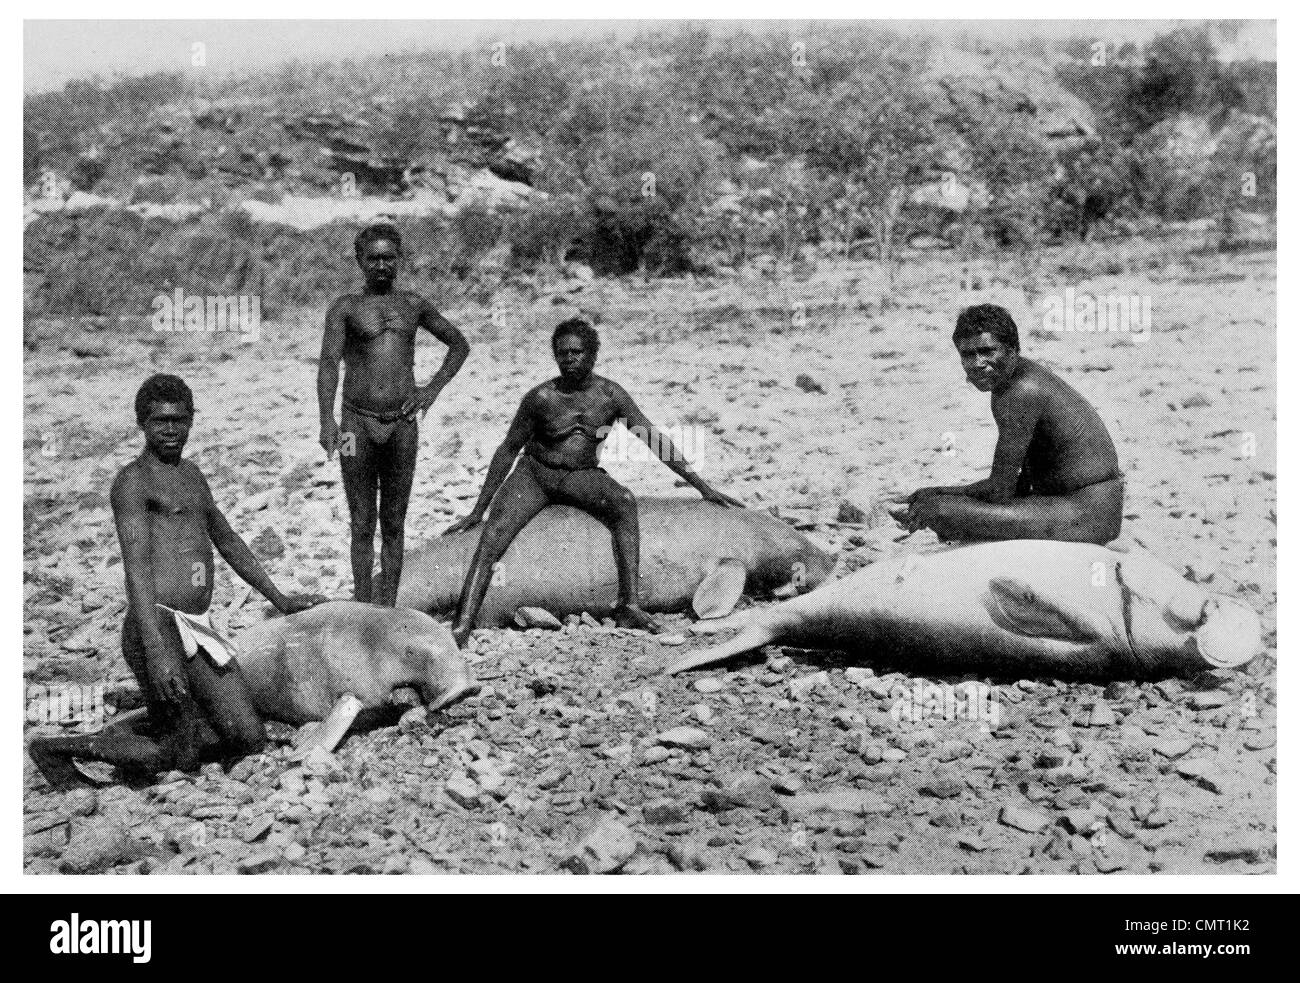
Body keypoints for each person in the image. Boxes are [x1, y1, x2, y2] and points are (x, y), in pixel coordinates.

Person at [28, 375, 325, 789]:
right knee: (179, 757)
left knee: (248, 737)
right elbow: (137, 571)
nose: (170, 430)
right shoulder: (133, 482)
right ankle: (54, 749)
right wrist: (157, 653)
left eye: (179, 420)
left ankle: (148, 729)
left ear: (191, 421)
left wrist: (278, 596)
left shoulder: (192, 475)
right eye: (159, 421)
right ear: (142, 424)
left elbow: (227, 538)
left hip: (196, 625)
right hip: (157, 625)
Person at [444, 317, 742, 646]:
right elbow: (508, 450)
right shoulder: (540, 398)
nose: (569, 359)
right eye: (562, 354)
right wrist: (477, 510)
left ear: (593, 355)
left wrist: (700, 485)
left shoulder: (610, 395)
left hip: (580, 475)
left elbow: (652, 439)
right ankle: (462, 624)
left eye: (576, 352)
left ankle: (629, 605)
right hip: (536, 474)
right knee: (493, 536)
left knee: (625, 502)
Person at [317, 222, 470, 606]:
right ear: (360, 261)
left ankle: (387, 607)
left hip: (403, 424)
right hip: (356, 424)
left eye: (389, 258)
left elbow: (458, 344)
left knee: (395, 523)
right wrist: (326, 421)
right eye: (374, 258)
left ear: (399, 260)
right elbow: (329, 364)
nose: (382, 266)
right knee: (362, 522)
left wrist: (430, 390)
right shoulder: (345, 308)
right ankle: (362, 603)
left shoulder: (413, 305)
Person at [895, 304, 1123, 544]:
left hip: (1089, 515)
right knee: (940, 506)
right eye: (967, 355)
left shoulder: (1020, 392)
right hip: (1082, 506)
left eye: (987, 351)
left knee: (937, 510)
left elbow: (1000, 491)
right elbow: (1018, 484)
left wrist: (938, 494)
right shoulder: (1014, 380)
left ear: (1012, 350)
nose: (977, 363)